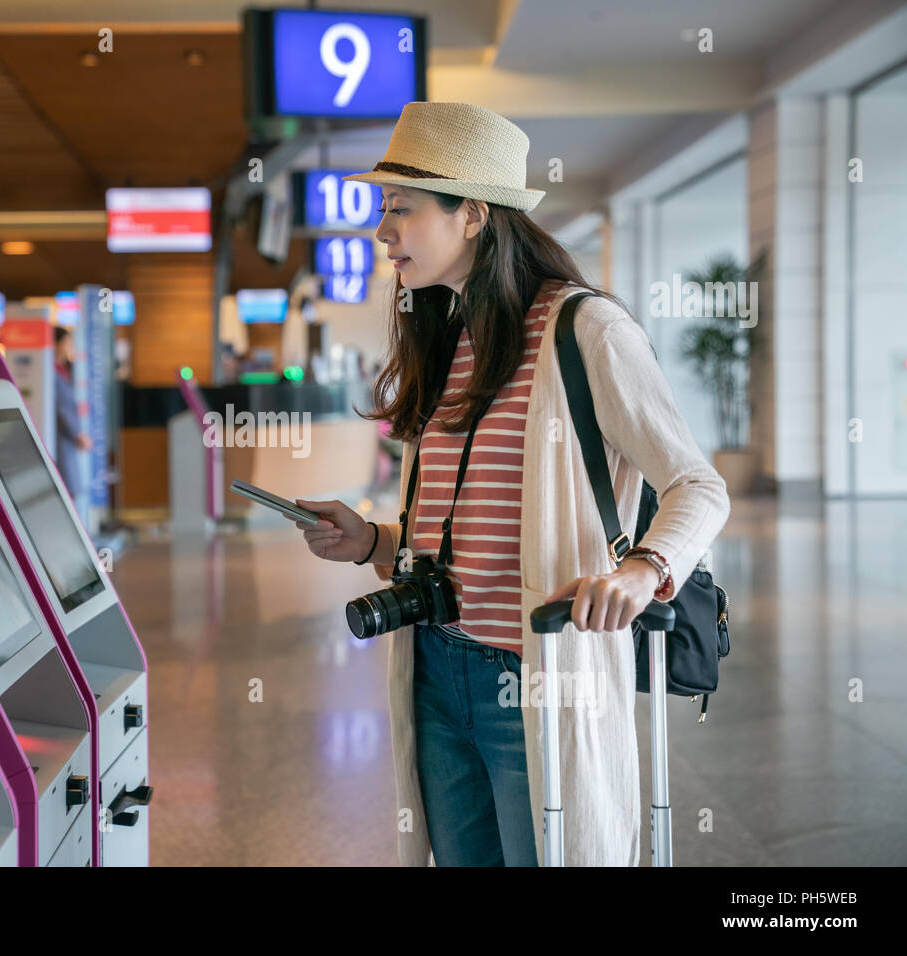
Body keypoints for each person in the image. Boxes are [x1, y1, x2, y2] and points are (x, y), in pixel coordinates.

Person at [290, 102, 729, 867]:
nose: (383, 231)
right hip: (435, 670)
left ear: (473, 215)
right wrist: (371, 541)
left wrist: (641, 572)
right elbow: (458, 528)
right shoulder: (444, 335)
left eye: (402, 208)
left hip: (536, 674)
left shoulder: (585, 332)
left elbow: (698, 485)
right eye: (383, 209)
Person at [52, 325, 92, 496]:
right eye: (66, 343)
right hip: (60, 438)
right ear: (55, 344)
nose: (69, 348)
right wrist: (77, 434)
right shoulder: (51, 372)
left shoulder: (63, 370)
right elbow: (61, 408)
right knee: (65, 486)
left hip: (66, 440)